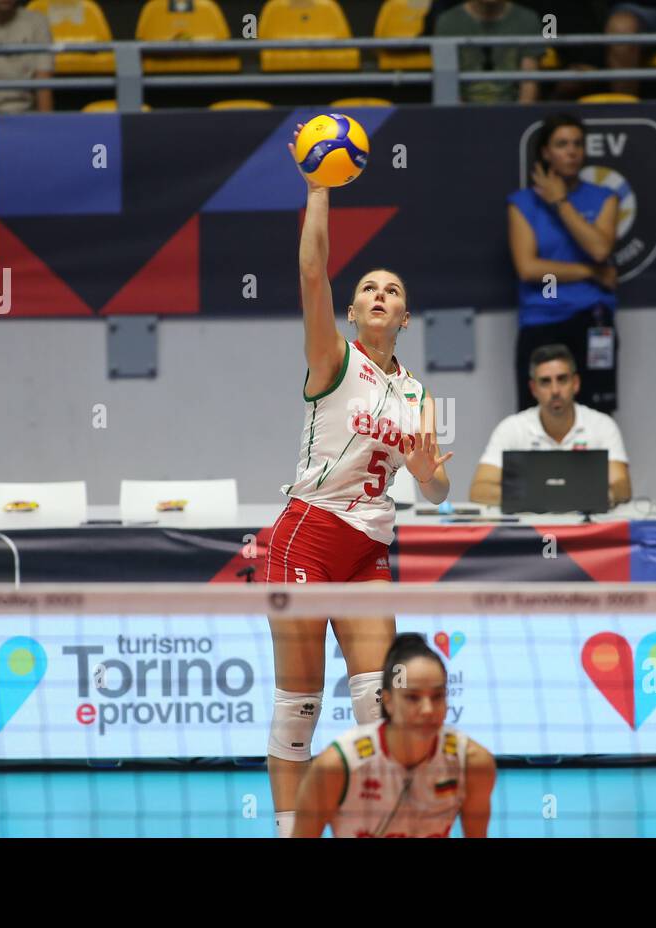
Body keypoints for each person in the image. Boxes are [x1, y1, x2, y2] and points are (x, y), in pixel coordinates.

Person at [264, 123, 454, 839]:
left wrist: (432, 474)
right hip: (306, 539)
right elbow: (313, 271)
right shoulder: (332, 359)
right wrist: (319, 189)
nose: (379, 293)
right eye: (369, 287)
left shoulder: (418, 395)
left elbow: (433, 494)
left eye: (393, 289)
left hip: (369, 551)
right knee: (299, 709)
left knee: (385, 705)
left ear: (405, 316)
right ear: (352, 311)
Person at [292, 633, 496, 838]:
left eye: (437, 697)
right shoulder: (336, 767)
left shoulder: (472, 764)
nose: (427, 709)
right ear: (387, 701)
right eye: (412, 698)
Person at [508, 113, 620, 414]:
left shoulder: (605, 198)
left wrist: (560, 202)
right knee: (535, 416)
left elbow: (598, 249)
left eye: (577, 144)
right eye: (561, 144)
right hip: (541, 320)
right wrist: (591, 273)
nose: (571, 151)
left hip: (591, 320)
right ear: (545, 152)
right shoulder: (522, 203)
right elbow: (528, 268)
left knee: (596, 416)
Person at [470, 344, 631, 507]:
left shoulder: (602, 425)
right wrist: (543, 497)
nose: (555, 390)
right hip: (530, 528)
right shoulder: (511, 428)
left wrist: (599, 497)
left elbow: (622, 487)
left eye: (562, 379)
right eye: (545, 382)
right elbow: (479, 490)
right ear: (533, 389)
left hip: (585, 527)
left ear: (575, 383)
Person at [434, 0, 545, 104]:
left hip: (513, 113)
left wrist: (518, 119)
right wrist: (462, 120)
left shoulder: (527, 20)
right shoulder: (447, 22)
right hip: (463, 116)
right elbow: (448, 86)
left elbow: (529, 84)